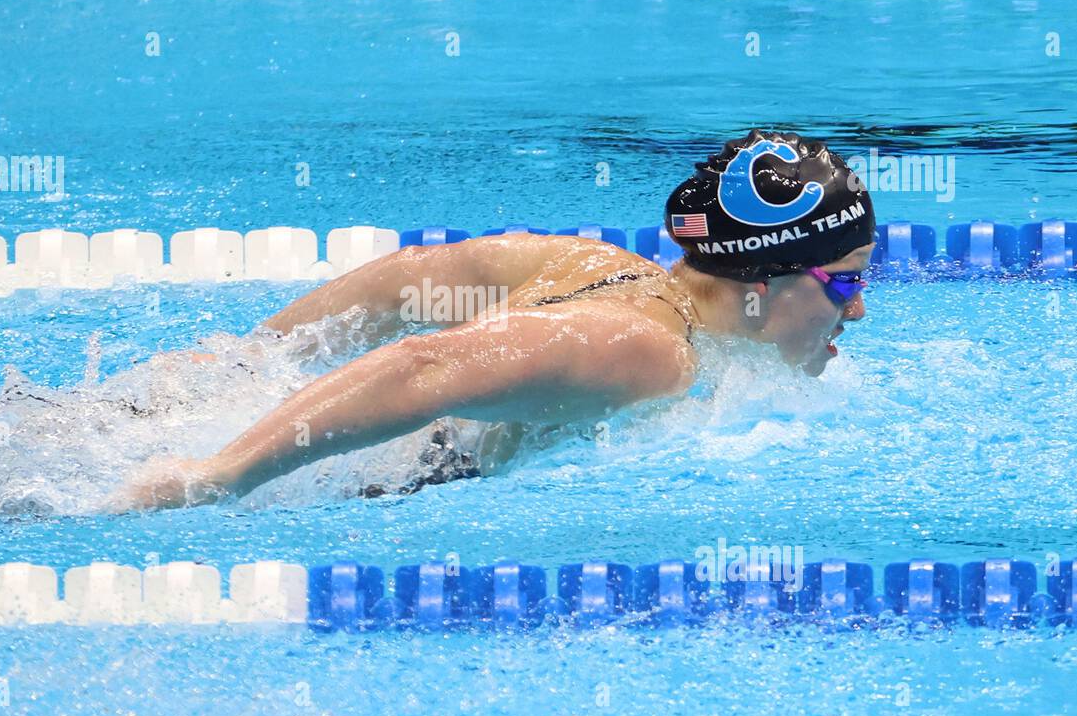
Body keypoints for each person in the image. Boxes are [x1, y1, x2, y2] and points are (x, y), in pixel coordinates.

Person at [118, 130, 876, 510]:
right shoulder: (647, 351)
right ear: (765, 278)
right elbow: (426, 365)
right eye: (843, 285)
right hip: (337, 474)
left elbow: (410, 279)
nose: (858, 307)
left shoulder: (597, 266)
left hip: (219, 423)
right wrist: (216, 476)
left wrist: (251, 363)